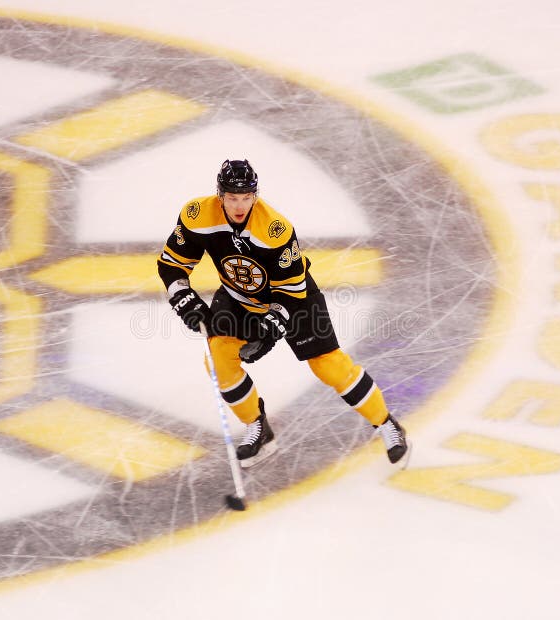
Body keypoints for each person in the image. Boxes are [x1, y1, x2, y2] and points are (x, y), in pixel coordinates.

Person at [157, 159, 410, 467]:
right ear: (220, 194)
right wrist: (182, 296)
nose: (239, 206)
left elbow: (289, 292)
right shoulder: (197, 215)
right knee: (220, 356)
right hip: (238, 296)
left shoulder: (274, 230)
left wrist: (269, 332)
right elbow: (172, 265)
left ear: (255, 195)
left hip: (295, 297)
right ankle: (258, 428)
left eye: (246, 197)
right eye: (232, 198)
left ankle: (385, 424)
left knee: (327, 366)